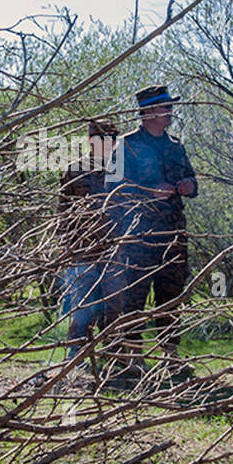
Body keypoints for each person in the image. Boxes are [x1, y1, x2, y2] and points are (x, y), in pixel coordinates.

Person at [101, 85, 198, 385]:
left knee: (171, 296)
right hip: (139, 238)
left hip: (173, 236)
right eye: (165, 107)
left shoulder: (175, 146)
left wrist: (188, 185)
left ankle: (171, 356)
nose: (170, 112)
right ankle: (133, 359)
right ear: (148, 112)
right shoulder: (125, 146)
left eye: (170, 106)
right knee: (135, 298)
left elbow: (193, 180)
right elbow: (111, 191)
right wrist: (147, 194)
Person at [57, 119, 117, 362]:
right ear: (91, 141)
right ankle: (75, 361)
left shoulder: (123, 168)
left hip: (116, 253)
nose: (107, 144)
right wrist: (67, 244)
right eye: (102, 139)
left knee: (114, 311)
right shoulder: (75, 169)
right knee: (81, 310)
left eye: (112, 139)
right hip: (83, 252)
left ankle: (113, 362)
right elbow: (62, 211)